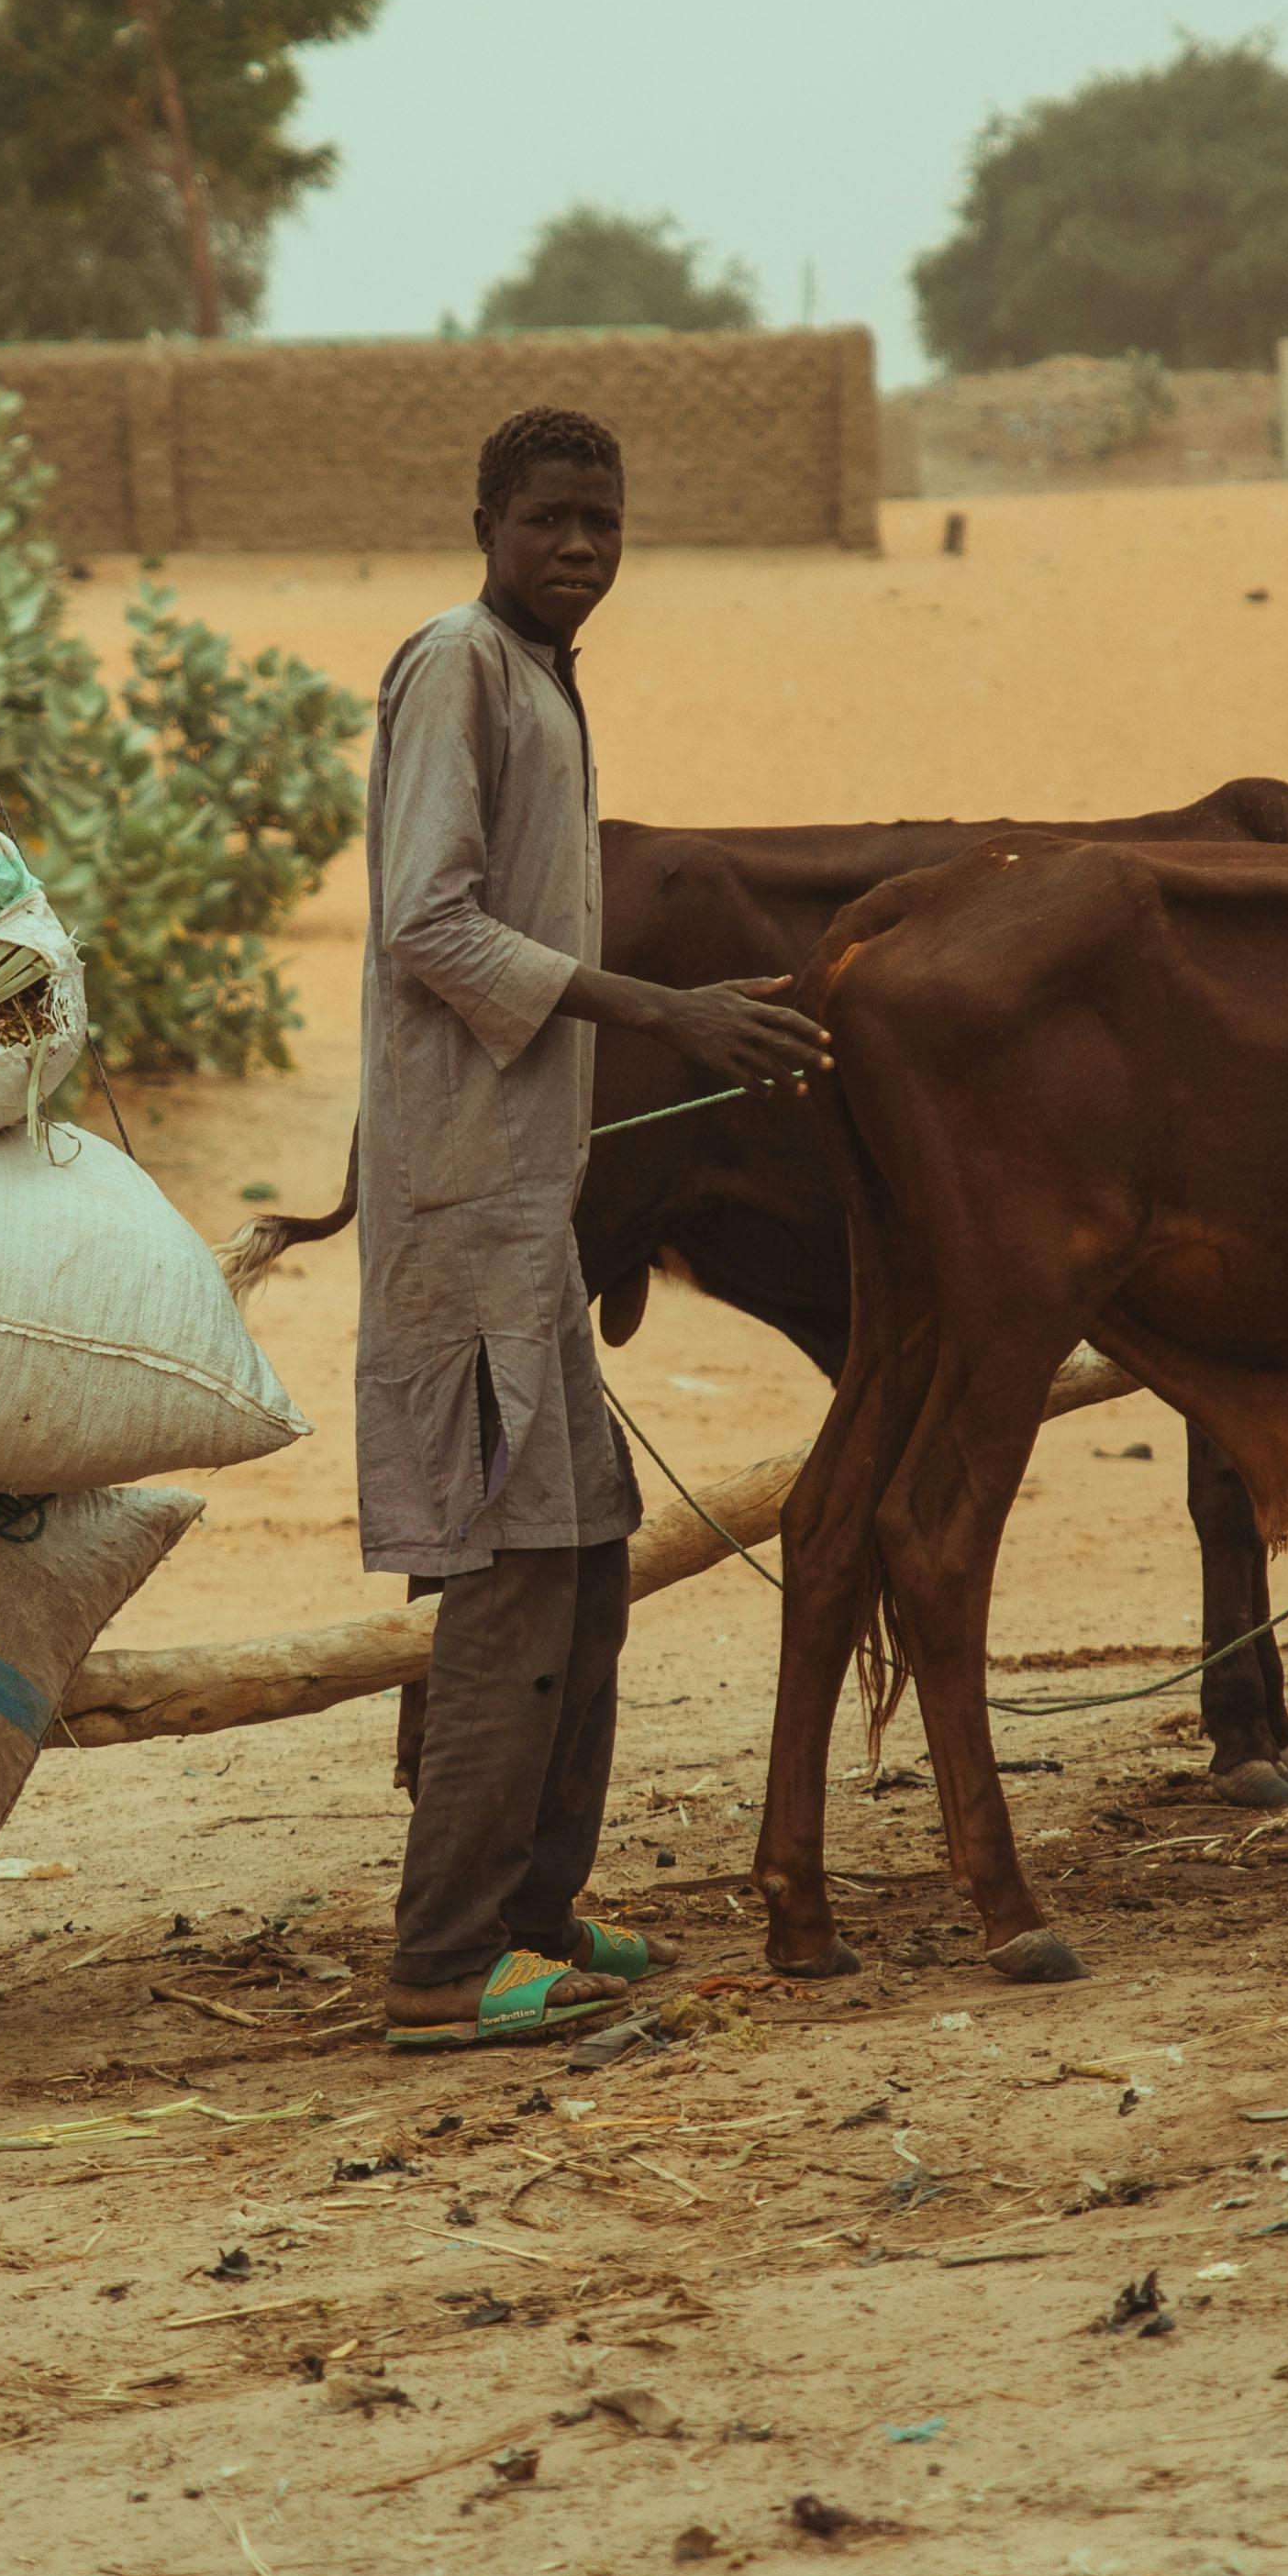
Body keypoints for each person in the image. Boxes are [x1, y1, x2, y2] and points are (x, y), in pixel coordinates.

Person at [361, 407, 830, 2049]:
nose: (581, 548)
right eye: (552, 518)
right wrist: (666, 1015)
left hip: (526, 1198)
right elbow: (426, 924)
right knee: (502, 1571)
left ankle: (534, 1911)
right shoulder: (457, 668)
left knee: (584, 1553)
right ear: (485, 517)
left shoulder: (543, 678)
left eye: (605, 524)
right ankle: (440, 1963)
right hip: (458, 1196)